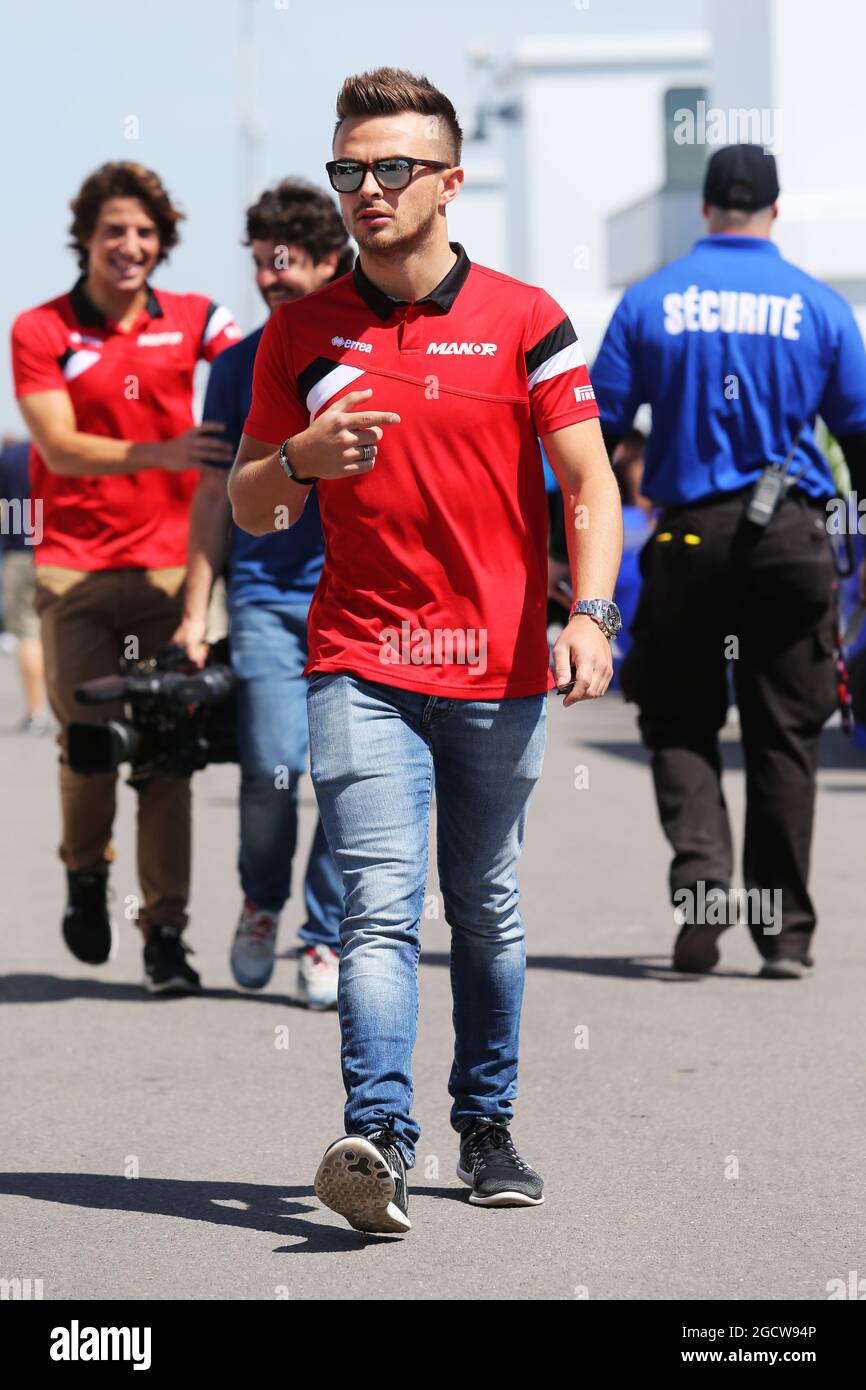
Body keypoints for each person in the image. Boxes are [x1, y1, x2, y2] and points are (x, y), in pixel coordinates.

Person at [228, 67, 623, 1234]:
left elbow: (588, 479)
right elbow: (251, 506)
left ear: (449, 181)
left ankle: (485, 1124)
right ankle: (380, 1141)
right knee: (378, 909)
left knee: (484, 905)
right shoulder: (300, 332)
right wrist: (297, 460)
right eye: (348, 169)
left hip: (498, 669)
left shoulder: (525, 317)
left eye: (392, 167)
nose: (367, 188)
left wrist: (590, 613)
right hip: (360, 660)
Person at [592, 143, 866, 981]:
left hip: (686, 540)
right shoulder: (820, 306)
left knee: (677, 716)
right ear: (774, 211)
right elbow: (860, 438)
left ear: (705, 209)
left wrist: (566, 547)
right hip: (791, 538)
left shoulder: (651, 301)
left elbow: (594, 433)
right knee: (785, 733)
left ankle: (705, 883)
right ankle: (782, 936)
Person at [11, 161, 239, 993]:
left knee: (167, 755)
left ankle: (165, 935)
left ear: (162, 242)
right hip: (74, 573)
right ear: (86, 237)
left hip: (171, 573)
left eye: (145, 232)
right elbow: (60, 447)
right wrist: (166, 451)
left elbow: (263, 359)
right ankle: (84, 872)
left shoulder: (196, 316)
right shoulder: (41, 328)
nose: (130, 245)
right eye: (114, 230)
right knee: (88, 747)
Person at [173, 180, 350, 1006]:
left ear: (330, 260)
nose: (272, 277)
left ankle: (323, 934)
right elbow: (213, 495)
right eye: (261, 263)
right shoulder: (235, 366)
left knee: (351, 775)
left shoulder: (364, 351)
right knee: (274, 767)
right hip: (266, 597)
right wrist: (193, 611)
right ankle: (260, 902)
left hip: (357, 598)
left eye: (287, 262)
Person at [0, 436, 49, 732]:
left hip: (21, 551)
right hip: (61, 552)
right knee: (70, 632)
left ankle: (36, 712)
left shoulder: (10, 458)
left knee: (28, 634)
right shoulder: (60, 450)